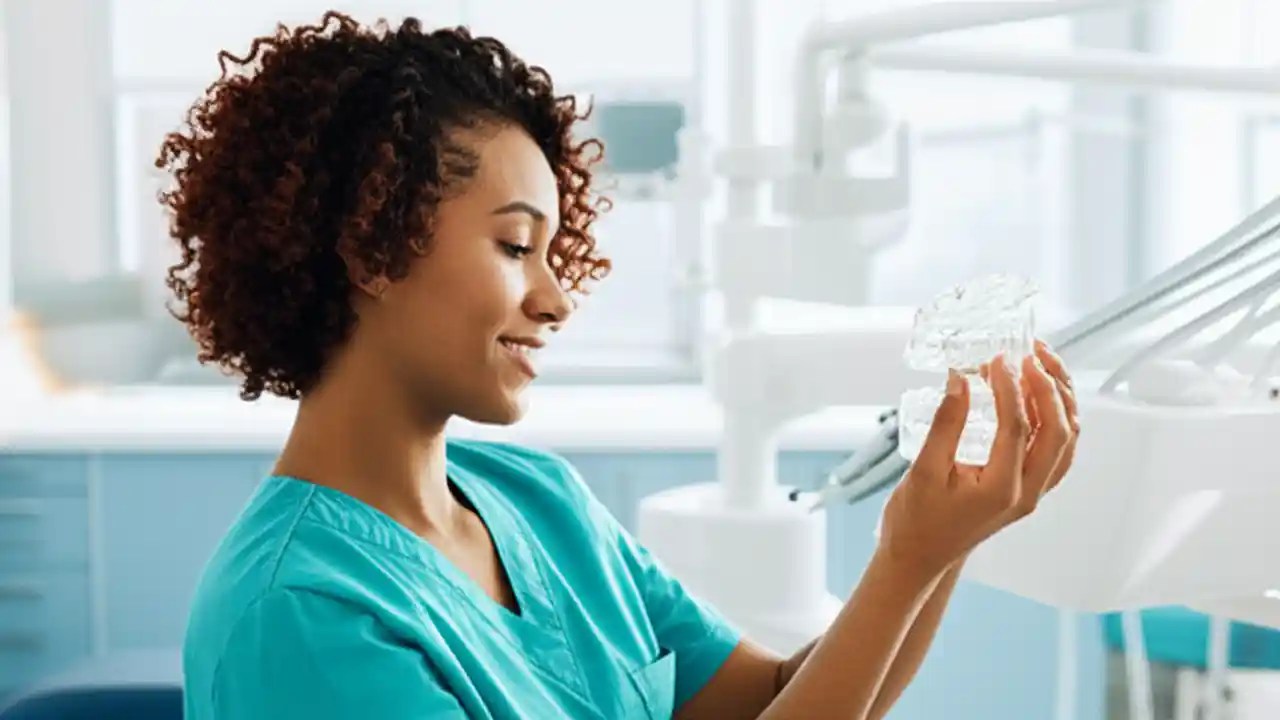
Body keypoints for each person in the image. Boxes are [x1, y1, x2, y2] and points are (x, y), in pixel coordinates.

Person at [166, 12, 1081, 720]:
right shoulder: (302, 615)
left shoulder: (537, 501)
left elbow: (771, 702)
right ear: (373, 244)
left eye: (555, 253)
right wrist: (907, 556)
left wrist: (933, 552)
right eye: (516, 245)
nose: (556, 297)